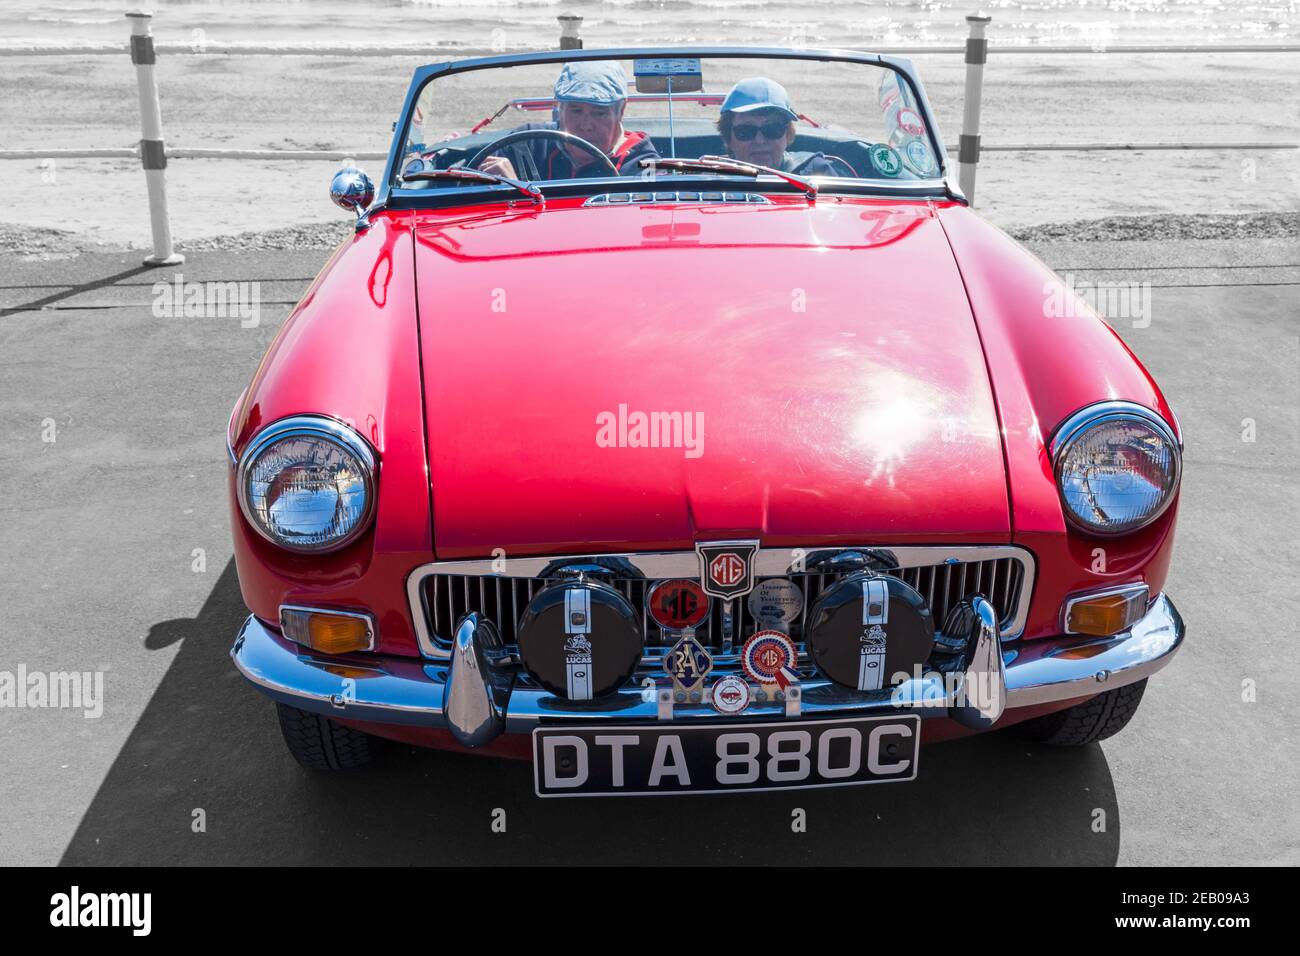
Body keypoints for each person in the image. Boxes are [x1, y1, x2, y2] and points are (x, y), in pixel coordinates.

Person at [479, 61, 659, 180]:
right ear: (559, 108)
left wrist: (519, 195)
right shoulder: (528, 144)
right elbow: (466, 182)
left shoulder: (643, 165)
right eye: (576, 110)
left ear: (621, 110)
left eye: (599, 113)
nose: (586, 125)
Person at [716, 77, 854, 177]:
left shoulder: (817, 172)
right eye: (746, 131)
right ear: (729, 138)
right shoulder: (708, 180)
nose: (759, 141)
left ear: (787, 135)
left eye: (772, 130)